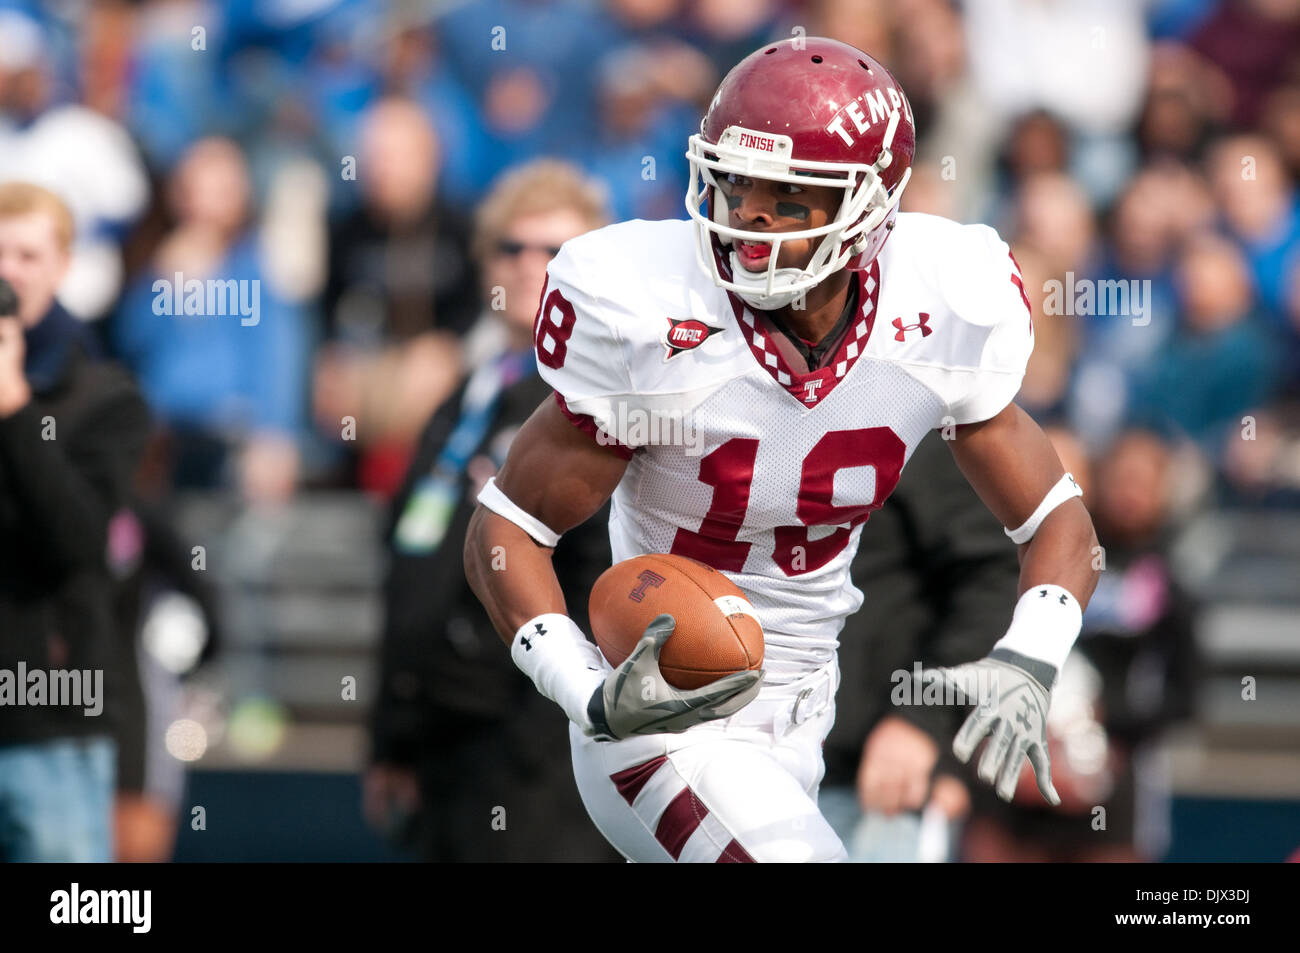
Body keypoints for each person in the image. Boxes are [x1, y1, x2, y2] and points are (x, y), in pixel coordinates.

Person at [464, 37, 1100, 863]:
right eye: (734, 182)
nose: (749, 215)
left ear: (871, 208)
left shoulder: (941, 299)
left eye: (787, 195)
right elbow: (504, 531)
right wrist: (585, 690)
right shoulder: (649, 308)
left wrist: (1031, 655)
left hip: (805, 707)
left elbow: (1060, 522)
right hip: (662, 713)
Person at [366, 161, 619, 861]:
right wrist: (393, 737)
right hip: (444, 750)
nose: (531, 266)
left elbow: (606, 578)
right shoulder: (464, 400)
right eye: (513, 247)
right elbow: (408, 569)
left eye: (556, 252)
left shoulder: (597, 401)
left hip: (543, 751)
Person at [0, 183, 150, 861]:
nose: (7, 272)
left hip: (50, 722)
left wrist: (14, 410)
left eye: (27, 254)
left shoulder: (105, 397)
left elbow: (80, 541)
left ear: (62, 265)